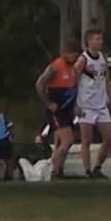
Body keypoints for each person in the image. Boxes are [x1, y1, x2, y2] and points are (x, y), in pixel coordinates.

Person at [73, 29, 111, 179]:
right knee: (87, 139)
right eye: (97, 39)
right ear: (89, 41)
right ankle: (87, 171)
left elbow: (107, 81)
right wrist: (75, 103)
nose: (100, 42)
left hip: (101, 105)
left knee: (109, 138)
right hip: (86, 105)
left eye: (101, 39)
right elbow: (73, 80)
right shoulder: (83, 60)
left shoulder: (103, 58)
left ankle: (97, 166)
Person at [34, 39, 81, 179]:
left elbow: (72, 89)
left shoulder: (72, 68)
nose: (76, 58)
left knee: (62, 143)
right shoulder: (55, 66)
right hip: (56, 110)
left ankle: (59, 169)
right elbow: (40, 84)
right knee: (68, 140)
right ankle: (54, 169)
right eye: (74, 55)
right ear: (67, 53)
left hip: (67, 110)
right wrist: (48, 103)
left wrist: (75, 107)